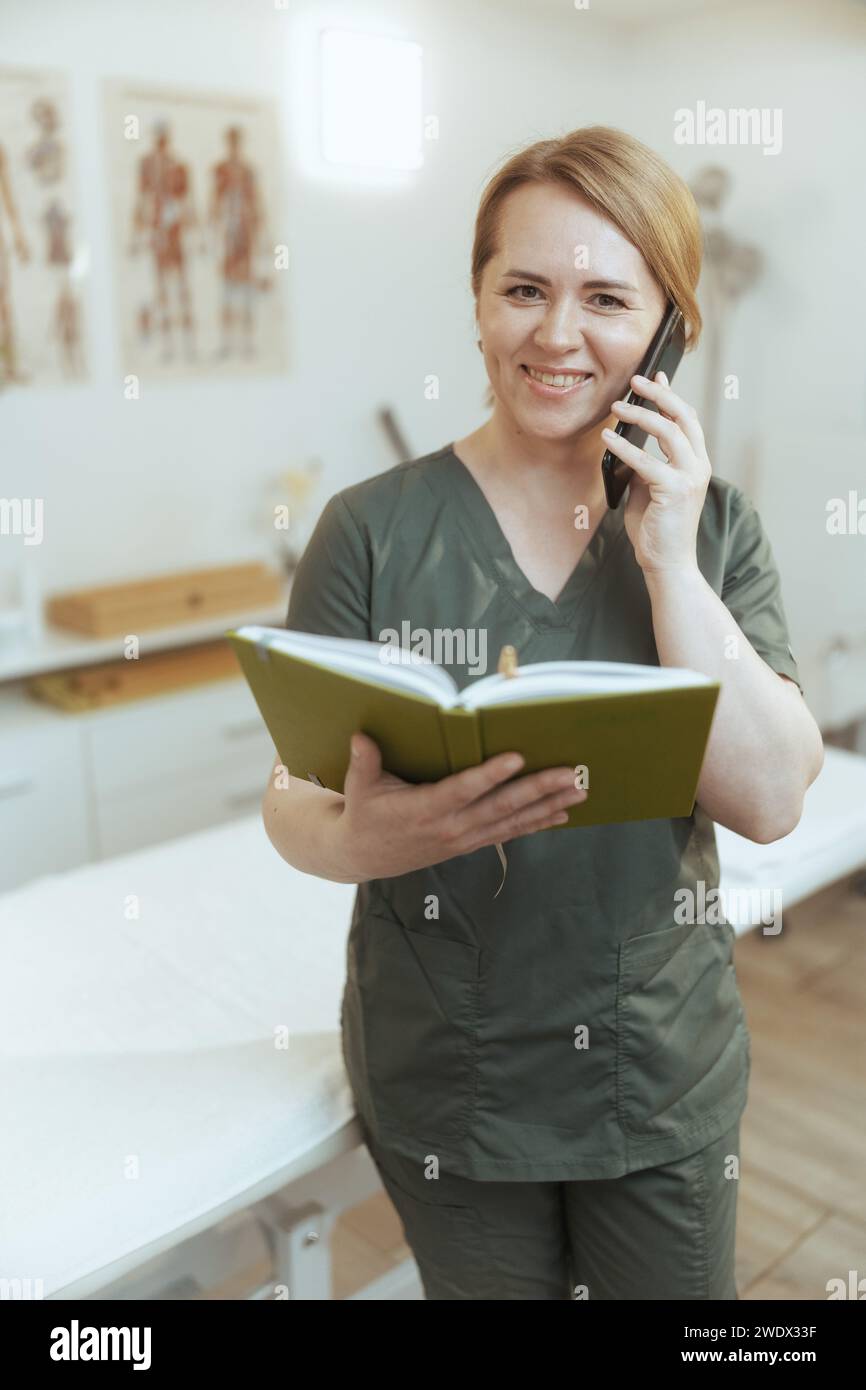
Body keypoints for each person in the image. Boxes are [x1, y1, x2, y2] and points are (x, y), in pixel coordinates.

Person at [262, 126, 824, 1300]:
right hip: (446, 1079)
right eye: (523, 288)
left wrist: (667, 564)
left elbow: (769, 799)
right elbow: (292, 795)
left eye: (607, 299)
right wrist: (358, 842)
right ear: (476, 300)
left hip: (655, 1072)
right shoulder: (368, 532)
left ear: (669, 328)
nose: (556, 335)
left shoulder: (714, 530)